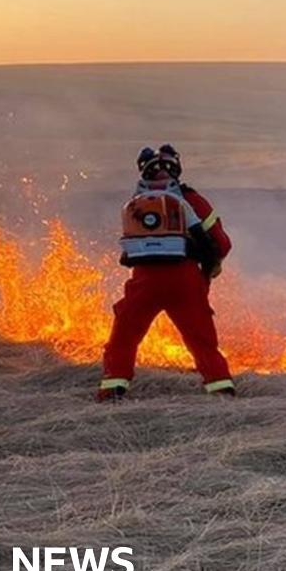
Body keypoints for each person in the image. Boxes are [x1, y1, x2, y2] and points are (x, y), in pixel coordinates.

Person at [97, 144, 236, 401]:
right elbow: (222, 243)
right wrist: (210, 265)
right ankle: (222, 391)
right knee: (202, 342)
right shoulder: (191, 200)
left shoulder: (136, 203)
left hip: (144, 282)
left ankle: (112, 391)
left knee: (124, 338)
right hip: (186, 281)